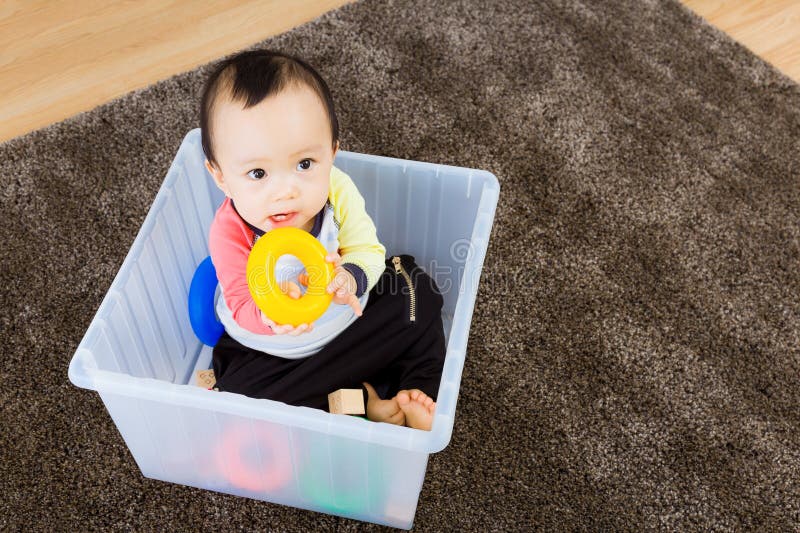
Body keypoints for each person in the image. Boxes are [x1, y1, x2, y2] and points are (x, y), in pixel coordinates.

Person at [200, 49, 446, 430]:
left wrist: (350, 277)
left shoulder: (338, 189)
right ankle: (364, 400)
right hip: (280, 349)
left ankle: (410, 391)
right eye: (258, 173)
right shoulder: (229, 229)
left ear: (332, 153)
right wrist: (270, 317)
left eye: (304, 165)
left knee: (417, 293)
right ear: (220, 177)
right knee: (238, 388)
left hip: (349, 320)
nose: (285, 191)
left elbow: (368, 251)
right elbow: (239, 299)